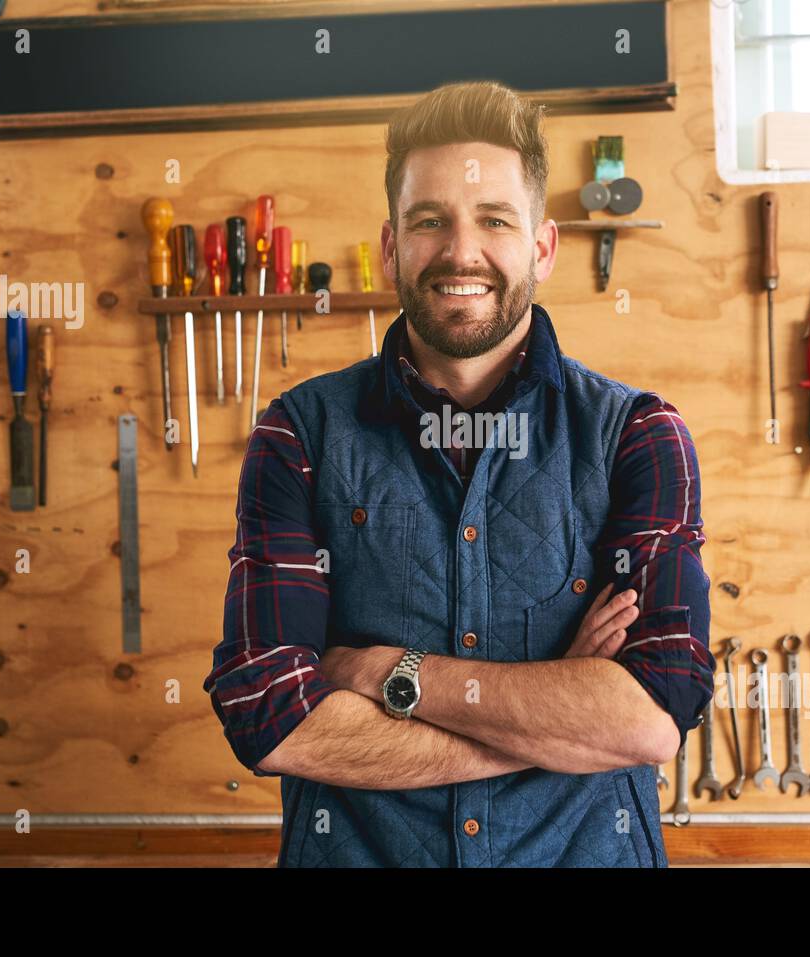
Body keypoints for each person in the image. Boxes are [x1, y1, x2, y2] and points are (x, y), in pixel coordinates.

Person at [204, 81, 713, 867]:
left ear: (543, 246)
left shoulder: (636, 436)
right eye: (429, 220)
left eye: (494, 220)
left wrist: (386, 673)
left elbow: (651, 717)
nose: (460, 251)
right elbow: (268, 716)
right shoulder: (299, 434)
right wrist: (564, 715)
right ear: (391, 245)